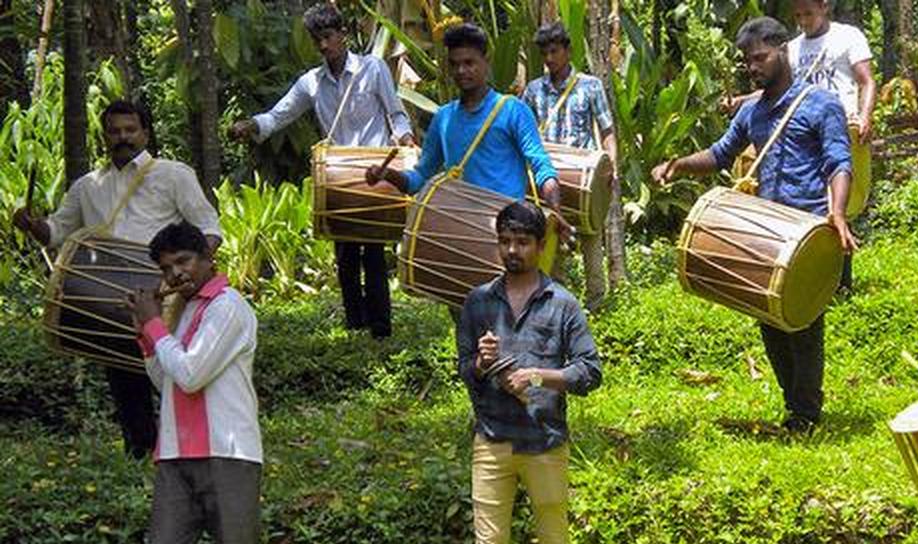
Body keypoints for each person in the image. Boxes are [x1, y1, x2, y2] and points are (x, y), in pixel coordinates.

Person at [652, 16, 854, 433]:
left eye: (760, 57)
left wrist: (836, 213)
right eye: (748, 62)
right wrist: (680, 165)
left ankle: (805, 414)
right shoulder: (752, 112)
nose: (753, 67)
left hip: (808, 230)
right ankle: (793, 405)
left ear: (782, 51)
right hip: (765, 232)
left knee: (804, 323)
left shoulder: (821, 104)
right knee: (770, 320)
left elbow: (839, 162)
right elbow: (721, 154)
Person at [12, 99, 222, 459]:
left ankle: (197, 450)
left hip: (165, 295)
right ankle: (140, 453)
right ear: (105, 136)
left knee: (177, 376)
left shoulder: (174, 174)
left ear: (145, 132)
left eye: (130, 129)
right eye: (115, 131)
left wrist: (186, 278)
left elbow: (209, 229)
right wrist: (33, 226)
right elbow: (56, 232)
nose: (123, 137)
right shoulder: (87, 186)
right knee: (126, 382)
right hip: (109, 302)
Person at [455, 201, 602, 544]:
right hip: (492, 440)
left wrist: (539, 376)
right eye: (505, 242)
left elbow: (590, 371)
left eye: (522, 242)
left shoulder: (562, 303)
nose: (512, 251)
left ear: (541, 246)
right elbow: (464, 370)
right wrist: (480, 364)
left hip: (545, 442)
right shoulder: (479, 302)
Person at [231, 3, 414, 339]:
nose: (324, 45)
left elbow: (396, 113)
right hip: (337, 175)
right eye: (318, 39)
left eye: (328, 36)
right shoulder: (310, 83)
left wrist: (404, 137)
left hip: (373, 171)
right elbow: (278, 116)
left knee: (372, 252)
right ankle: (354, 324)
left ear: (343, 34)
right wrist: (251, 126)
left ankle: (380, 328)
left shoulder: (373, 69)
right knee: (345, 253)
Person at [126, 221, 262, 544]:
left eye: (184, 261)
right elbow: (165, 377)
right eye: (167, 269)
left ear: (208, 258)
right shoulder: (182, 313)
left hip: (229, 452)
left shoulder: (228, 306)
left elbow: (190, 374)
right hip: (176, 454)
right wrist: (149, 338)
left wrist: (155, 326)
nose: (176, 275)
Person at [366, 23, 564, 235]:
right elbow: (419, 178)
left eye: (469, 63)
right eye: (455, 64)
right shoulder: (443, 118)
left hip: (508, 231)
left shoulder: (513, 111)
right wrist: (388, 174)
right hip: (462, 230)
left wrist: (555, 211)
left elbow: (541, 166)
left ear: (486, 62)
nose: (461, 71)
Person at [521, 21, 619, 308]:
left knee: (590, 237)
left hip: (584, 175)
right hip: (546, 177)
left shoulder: (590, 86)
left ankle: (597, 303)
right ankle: (555, 302)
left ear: (567, 50)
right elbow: (522, 130)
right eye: (545, 54)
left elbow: (607, 130)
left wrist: (611, 163)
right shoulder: (533, 90)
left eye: (554, 51)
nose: (549, 59)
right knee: (550, 238)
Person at [787, 0, 877, 143]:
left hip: (843, 126)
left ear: (824, 7)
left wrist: (864, 116)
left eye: (808, 14)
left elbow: (866, 82)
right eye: (798, 16)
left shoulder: (848, 36)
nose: (803, 21)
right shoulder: (791, 49)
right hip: (806, 133)